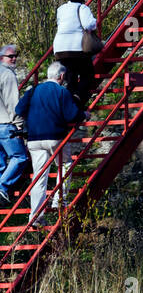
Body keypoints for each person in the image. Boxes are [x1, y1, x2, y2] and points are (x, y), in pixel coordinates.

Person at [16, 61, 84, 224]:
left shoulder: (33, 91)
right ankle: (59, 200)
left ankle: (35, 216)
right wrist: (84, 115)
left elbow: (19, 110)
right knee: (66, 164)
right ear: (61, 76)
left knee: (39, 176)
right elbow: (71, 115)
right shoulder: (62, 92)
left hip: (34, 140)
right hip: (55, 137)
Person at [53, 0, 100, 108]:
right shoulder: (82, 8)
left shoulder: (61, 9)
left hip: (60, 48)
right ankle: (77, 97)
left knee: (70, 78)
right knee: (88, 76)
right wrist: (95, 23)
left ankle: (70, 105)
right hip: (77, 48)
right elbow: (89, 24)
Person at [0, 44, 29, 207]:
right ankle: (2, 187)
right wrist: (19, 125)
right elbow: (13, 103)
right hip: (5, 124)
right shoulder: (7, 74)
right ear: (1, 58)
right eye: (10, 56)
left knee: (1, 163)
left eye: (15, 55)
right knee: (20, 157)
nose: (14, 59)